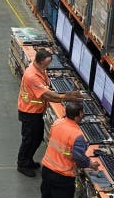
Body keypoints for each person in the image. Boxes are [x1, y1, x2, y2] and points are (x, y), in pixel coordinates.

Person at [37, 102, 99, 198]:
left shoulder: (58, 123)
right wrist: (91, 164)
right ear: (78, 116)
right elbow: (79, 158)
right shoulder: (77, 135)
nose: (83, 114)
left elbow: (54, 140)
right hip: (62, 175)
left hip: (47, 167)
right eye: (82, 113)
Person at [17, 49, 82, 177]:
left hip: (36, 111)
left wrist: (62, 97)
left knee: (36, 138)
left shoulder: (39, 69)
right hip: (29, 112)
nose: (49, 65)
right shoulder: (32, 76)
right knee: (29, 139)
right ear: (40, 62)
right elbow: (46, 95)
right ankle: (22, 164)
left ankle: (28, 159)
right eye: (47, 63)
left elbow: (46, 92)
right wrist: (66, 97)